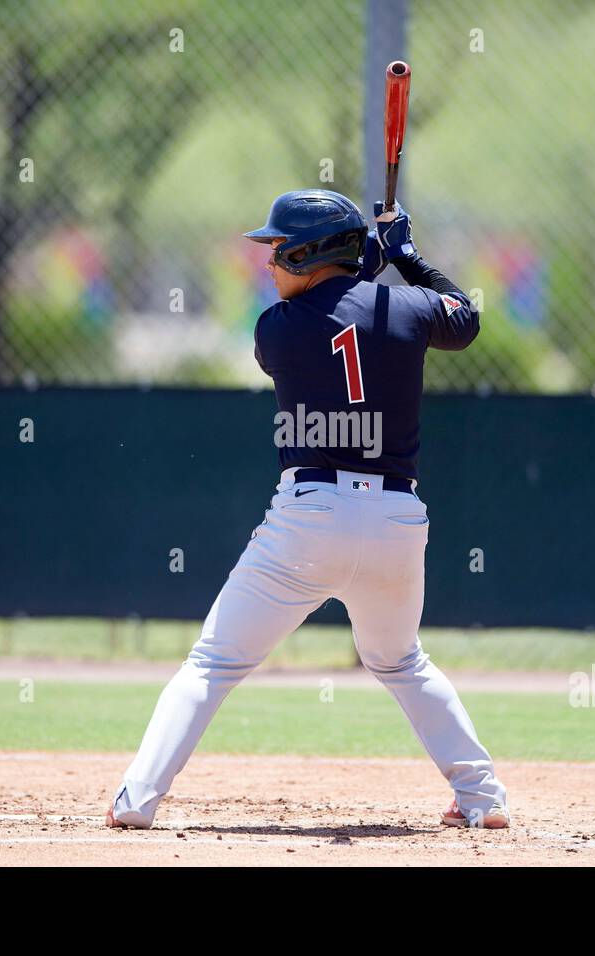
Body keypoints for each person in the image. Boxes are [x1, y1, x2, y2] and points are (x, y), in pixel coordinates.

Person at [107, 189, 509, 829]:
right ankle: (483, 798)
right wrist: (406, 259)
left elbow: (331, 323)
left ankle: (136, 800)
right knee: (402, 662)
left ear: (308, 251)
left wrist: (366, 276)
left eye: (278, 249)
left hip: (309, 518)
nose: (269, 262)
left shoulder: (277, 328)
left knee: (212, 664)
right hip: (395, 522)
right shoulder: (406, 308)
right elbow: (464, 320)